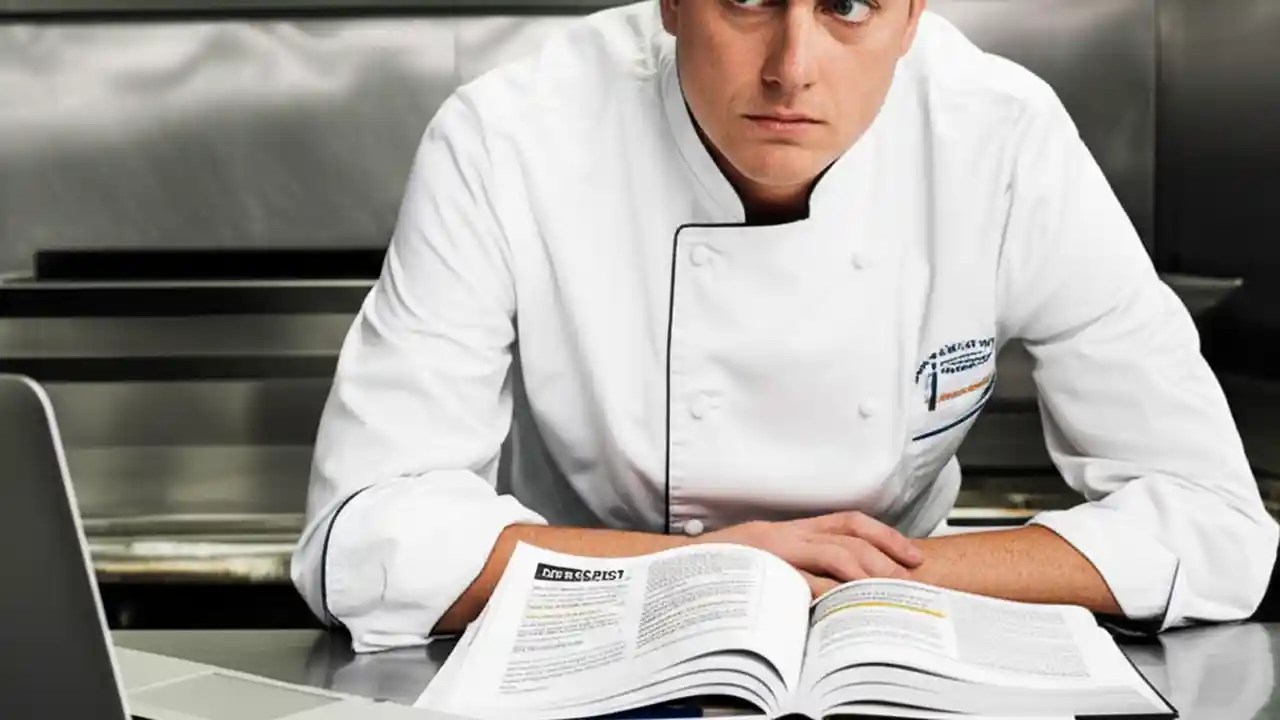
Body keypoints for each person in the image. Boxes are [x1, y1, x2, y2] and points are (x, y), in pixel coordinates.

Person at [291, 0, 1277, 652]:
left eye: (848, 5)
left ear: (910, 17)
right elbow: (364, 537)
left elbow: (1212, 521)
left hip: (894, 647)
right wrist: (718, 574)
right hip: (584, 641)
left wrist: (867, 579)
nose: (790, 67)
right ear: (673, 1)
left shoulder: (999, 137)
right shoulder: (511, 138)